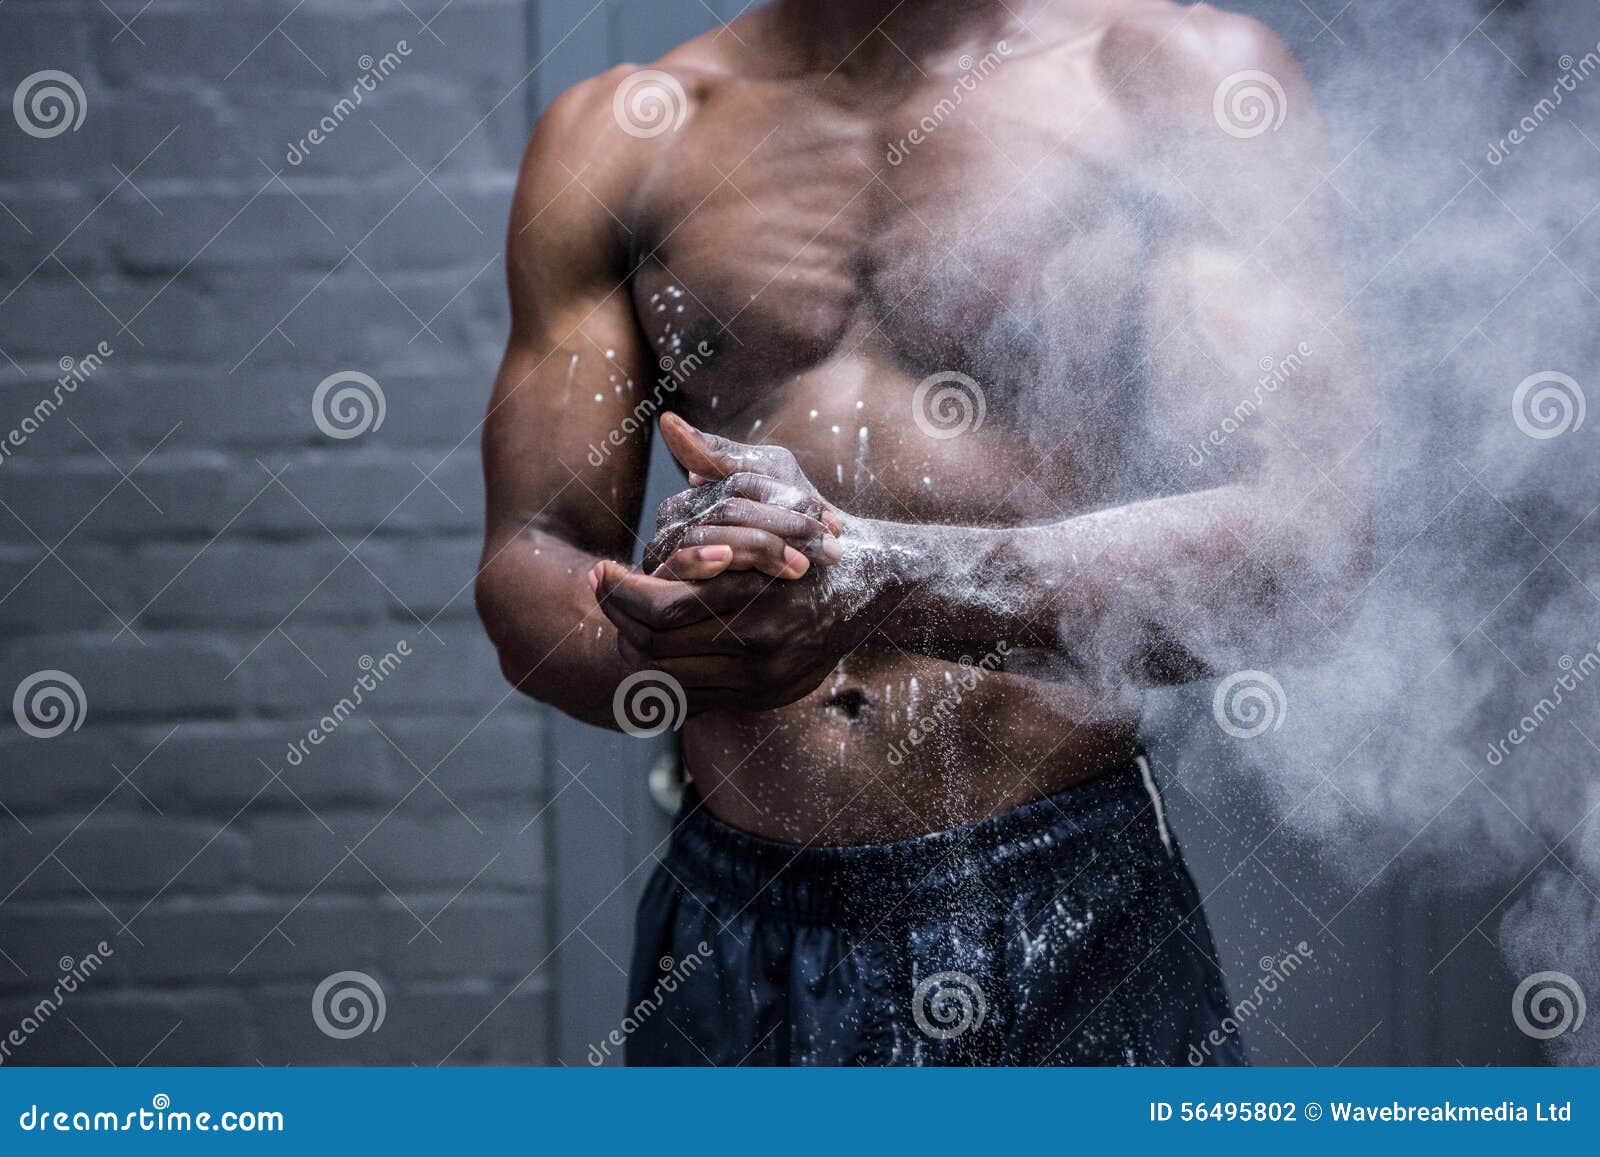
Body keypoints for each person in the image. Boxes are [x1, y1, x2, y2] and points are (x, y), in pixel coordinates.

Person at [476, 0, 1371, 1064]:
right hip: (737, 919)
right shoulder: (622, 133)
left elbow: (1303, 545)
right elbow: (531, 553)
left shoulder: (1167, 75)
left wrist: (887, 578)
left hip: (1063, 900)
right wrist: (664, 646)